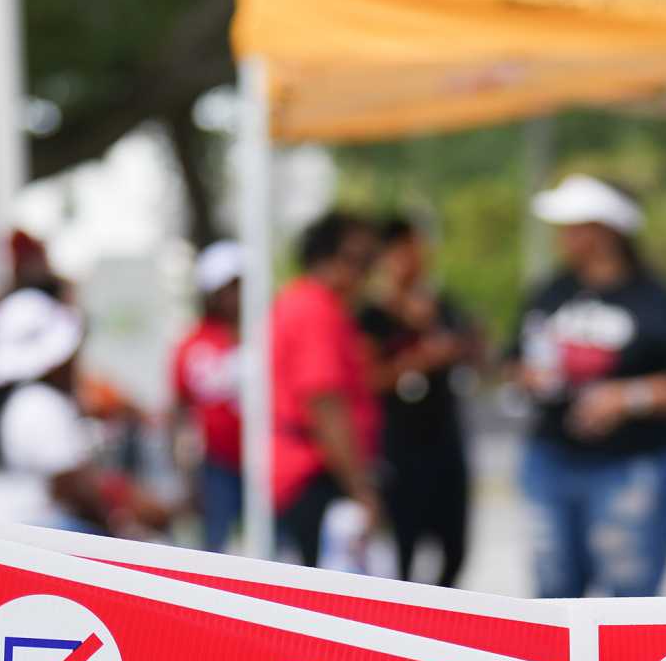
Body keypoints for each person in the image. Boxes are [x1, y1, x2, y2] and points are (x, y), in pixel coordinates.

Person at [510, 174, 666, 598]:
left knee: (628, 593)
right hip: (554, 456)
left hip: (634, 462)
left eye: (577, 226)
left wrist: (625, 398)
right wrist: (531, 376)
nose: (566, 237)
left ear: (607, 231)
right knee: (554, 592)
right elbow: (515, 361)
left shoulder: (654, 298)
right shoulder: (551, 291)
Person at [0, 287, 173, 533]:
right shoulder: (39, 403)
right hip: (38, 531)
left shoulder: (11, 402)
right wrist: (118, 525)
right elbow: (72, 487)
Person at [358, 216, 479, 586]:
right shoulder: (370, 316)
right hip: (398, 445)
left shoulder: (441, 305)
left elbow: (476, 346)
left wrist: (432, 330)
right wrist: (417, 360)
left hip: (444, 438)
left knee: (454, 547)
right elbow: (365, 378)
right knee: (402, 549)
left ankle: (444, 617)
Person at [270, 209, 383, 567]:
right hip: (315, 477)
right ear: (329, 259)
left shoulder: (301, 302)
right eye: (359, 260)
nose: (366, 273)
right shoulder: (316, 310)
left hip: (309, 472)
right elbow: (325, 405)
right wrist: (360, 488)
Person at [170, 241, 245, 551]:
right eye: (232, 287)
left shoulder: (262, 334)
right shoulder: (192, 345)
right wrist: (186, 477)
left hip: (264, 462)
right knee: (217, 548)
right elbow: (179, 413)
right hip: (215, 467)